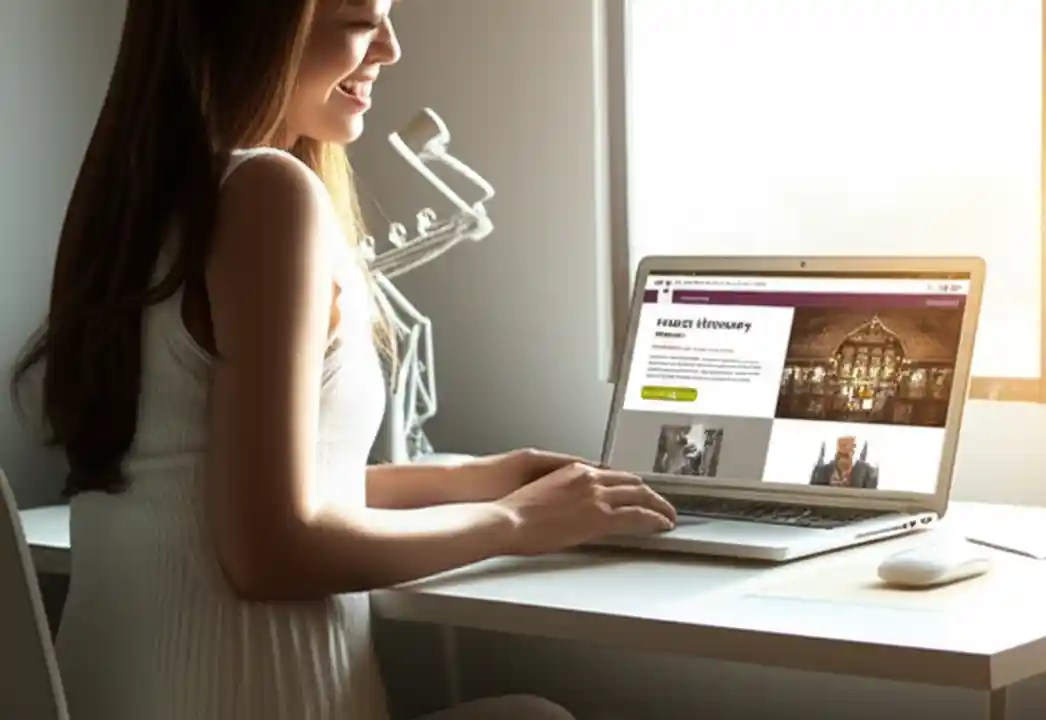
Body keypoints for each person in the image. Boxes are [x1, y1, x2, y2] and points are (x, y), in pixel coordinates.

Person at [9, 1, 676, 718]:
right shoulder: (267, 194)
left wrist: (486, 479)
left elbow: (225, 485)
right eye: (361, 18)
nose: (388, 48)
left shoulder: (137, 207)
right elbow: (272, 550)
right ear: (259, 24)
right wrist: (515, 523)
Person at [809, 436, 879, 489]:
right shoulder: (820, 472)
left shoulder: (867, 474)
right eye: (842, 445)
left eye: (849, 446)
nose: (845, 448)